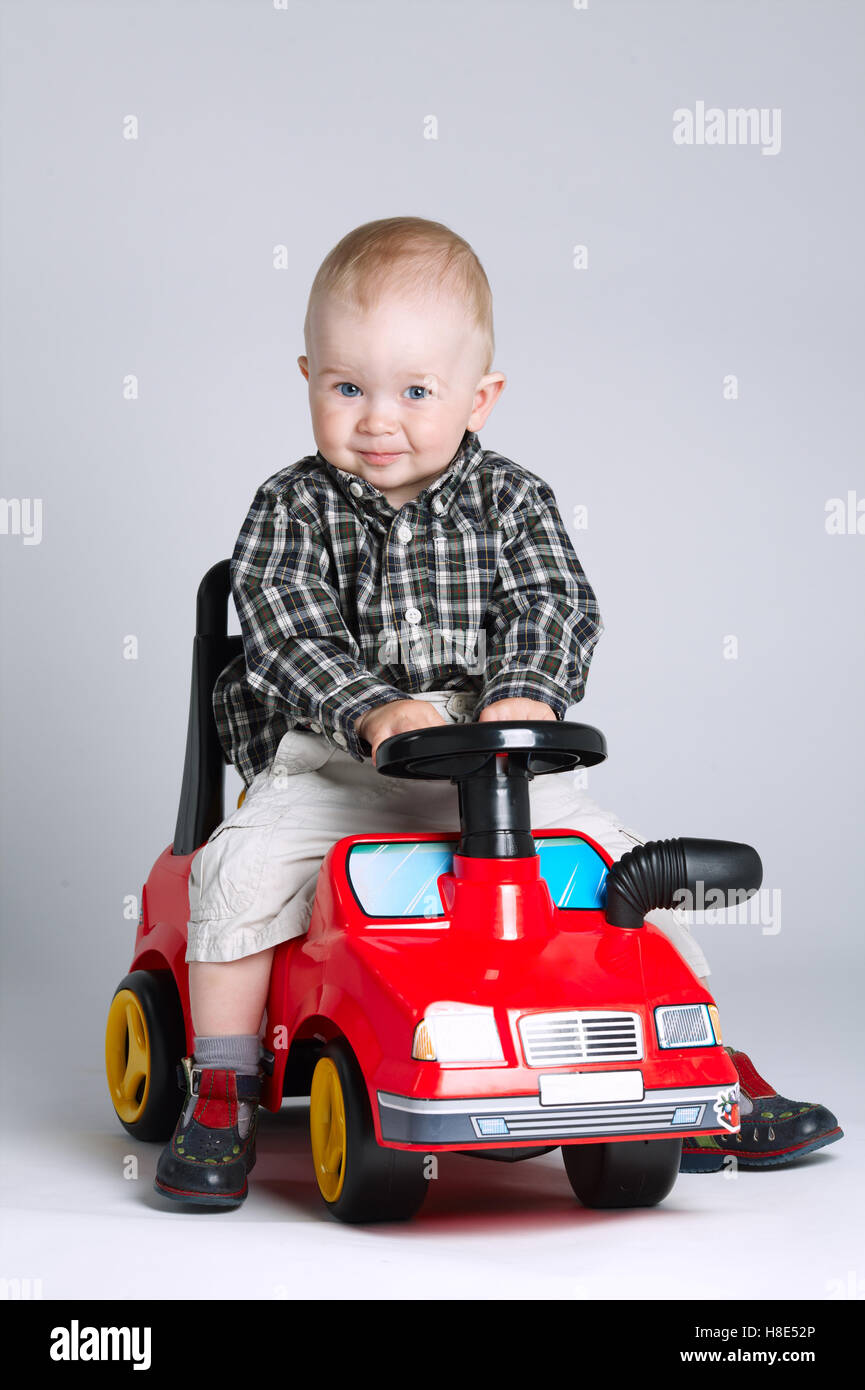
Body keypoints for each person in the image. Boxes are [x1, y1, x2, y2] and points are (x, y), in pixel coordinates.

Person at [154, 217, 842, 1206]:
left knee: (622, 876)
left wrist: (525, 689)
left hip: (497, 762)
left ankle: (709, 1071)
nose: (376, 419)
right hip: (344, 766)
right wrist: (372, 708)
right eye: (345, 387)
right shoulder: (290, 508)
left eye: (415, 392)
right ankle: (219, 1087)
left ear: (480, 399)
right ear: (306, 375)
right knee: (236, 869)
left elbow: (555, 602)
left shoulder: (514, 502)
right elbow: (284, 628)